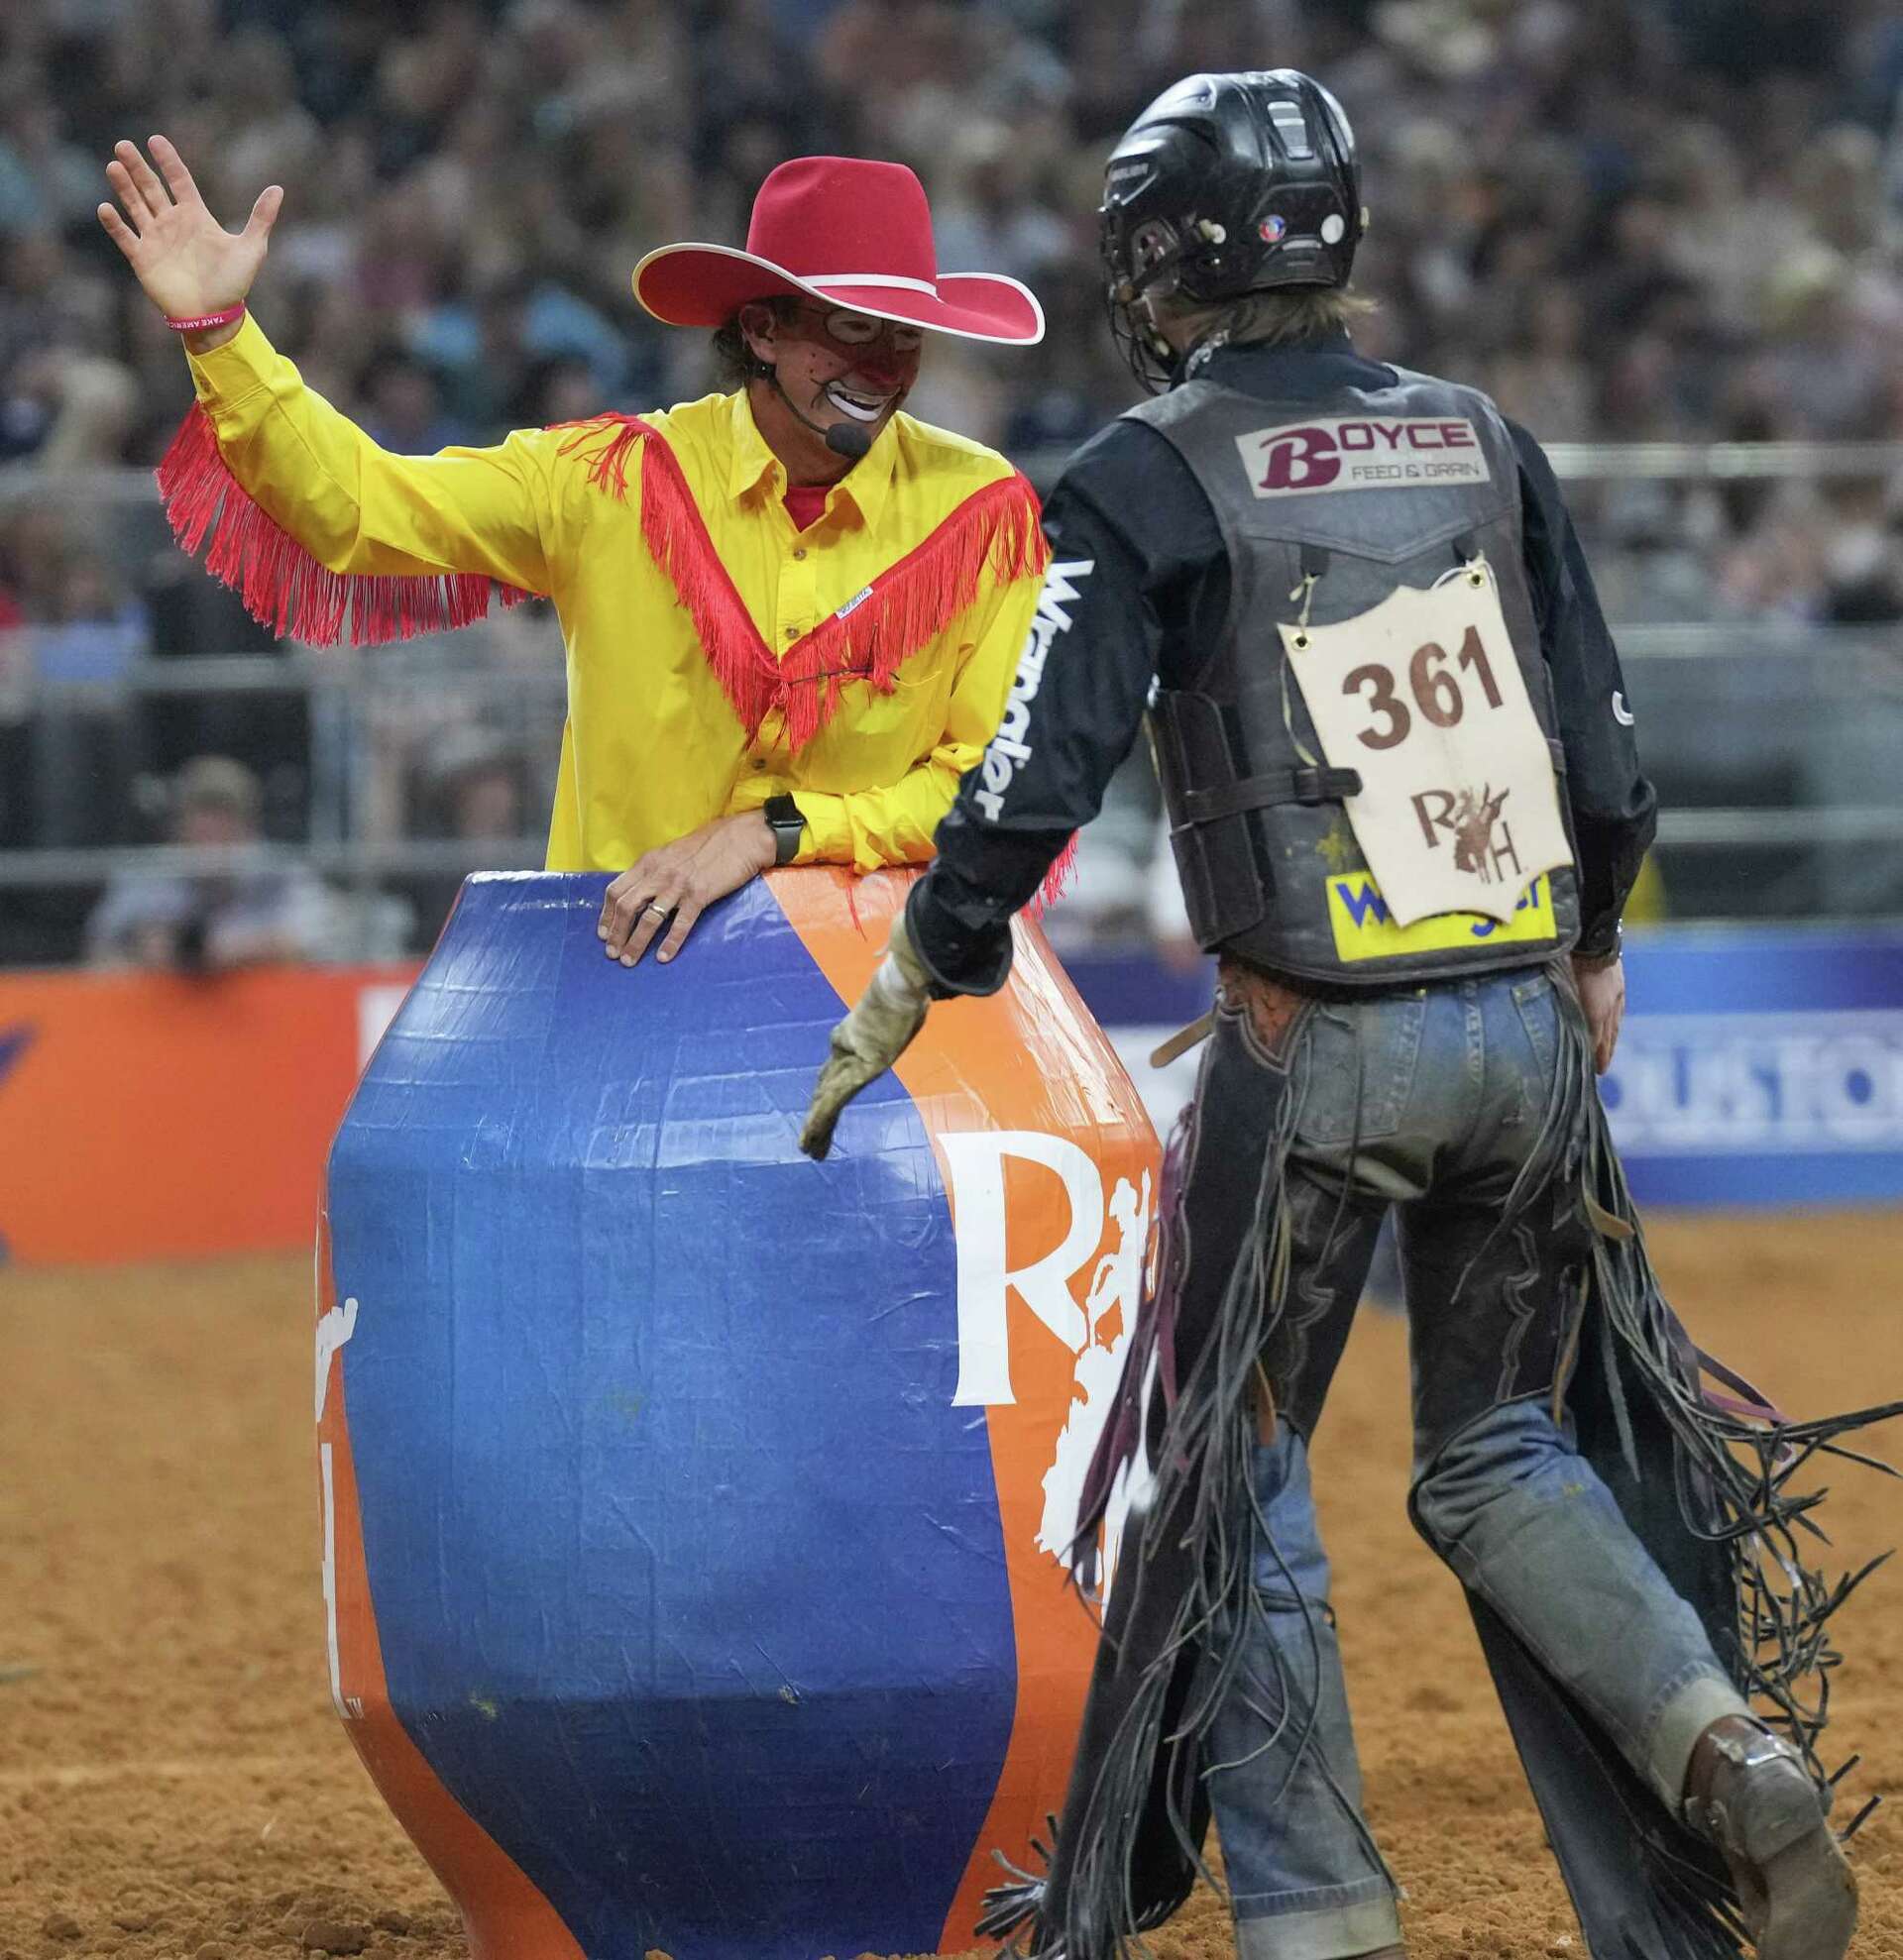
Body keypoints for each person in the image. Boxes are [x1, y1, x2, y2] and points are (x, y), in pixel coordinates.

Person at [804, 71, 1897, 1960]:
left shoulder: (1145, 471)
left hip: (1317, 1037)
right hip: (1534, 1031)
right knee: (1500, 1451)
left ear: (1167, 260)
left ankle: (1319, 1910)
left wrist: (929, 958)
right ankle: (1718, 1745)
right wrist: (1601, 940)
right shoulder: (1483, 434)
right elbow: (1601, 730)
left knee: (1231, 1464)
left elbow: (1038, 759)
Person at [96, 139, 1051, 956]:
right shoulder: (609, 482)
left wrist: (775, 832)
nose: (884, 368)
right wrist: (219, 334)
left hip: (873, 1009)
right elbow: (359, 504)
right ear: (761, 328)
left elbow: (997, 784)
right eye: (851, 329)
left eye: (908, 336)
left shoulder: (982, 513)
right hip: (627, 994)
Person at [86, 753, 336, 970]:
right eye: (201, 817)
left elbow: (321, 942)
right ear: (179, 825)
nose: (211, 831)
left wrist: (239, 948)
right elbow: (97, 959)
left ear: (248, 826)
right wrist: (143, 954)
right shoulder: (146, 874)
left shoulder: (281, 872)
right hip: (161, 1015)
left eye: (224, 817)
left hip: (265, 1016)